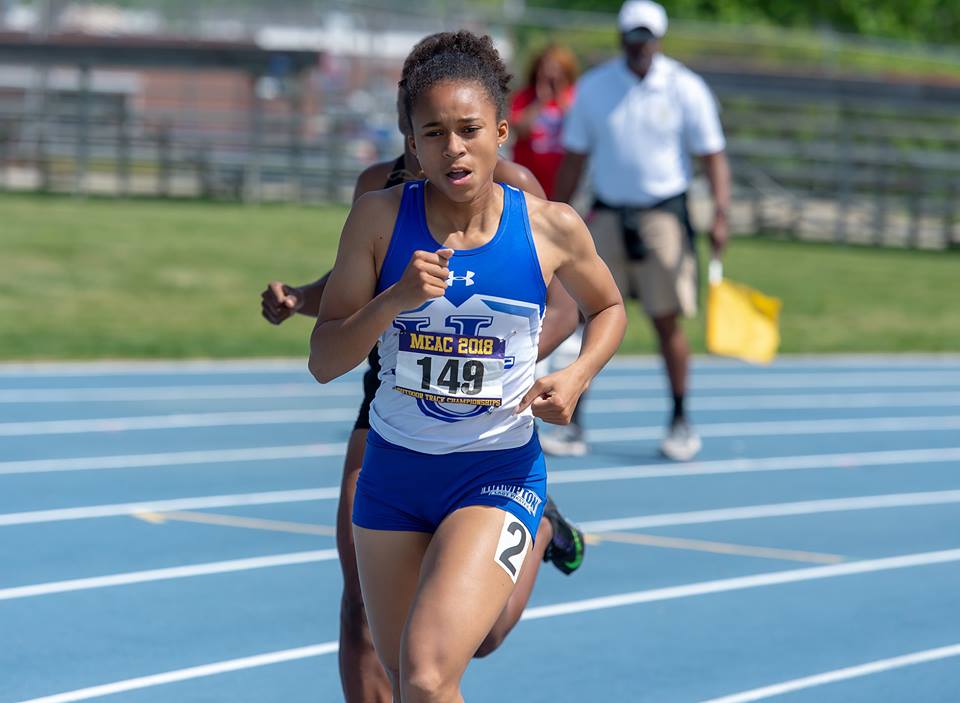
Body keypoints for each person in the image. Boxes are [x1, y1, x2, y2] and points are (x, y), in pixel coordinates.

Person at [261, 35, 582, 703]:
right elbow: (354, 286)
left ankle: (539, 522)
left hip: (489, 427)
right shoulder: (375, 192)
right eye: (427, 125)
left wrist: (515, 364)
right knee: (361, 599)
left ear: (489, 122)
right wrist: (300, 300)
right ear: (407, 122)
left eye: (462, 124)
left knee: (477, 636)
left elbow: (571, 300)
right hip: (388, 400)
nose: (444, 142)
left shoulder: (515, 190)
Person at [554, 0, 732, 461]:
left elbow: (712, 154)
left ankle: (679, 419)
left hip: (662, 215)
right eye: (632, 37)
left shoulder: (685, 87)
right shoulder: (595, 88)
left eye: (646, 37)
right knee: (589, 318)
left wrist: (720, 213)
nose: (639, 46)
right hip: (608, 214)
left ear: (659, 39)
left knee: (665, 320)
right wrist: (553, 214)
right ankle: (573, 421)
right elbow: (575, 157)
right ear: (621, 39)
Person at [508, 44, 578, 200]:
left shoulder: (575, 96)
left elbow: (580, 129)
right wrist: (540, 102)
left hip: (560, 182)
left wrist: (561, 99)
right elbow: (520, 129)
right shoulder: (525, 96)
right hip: (528, 181)